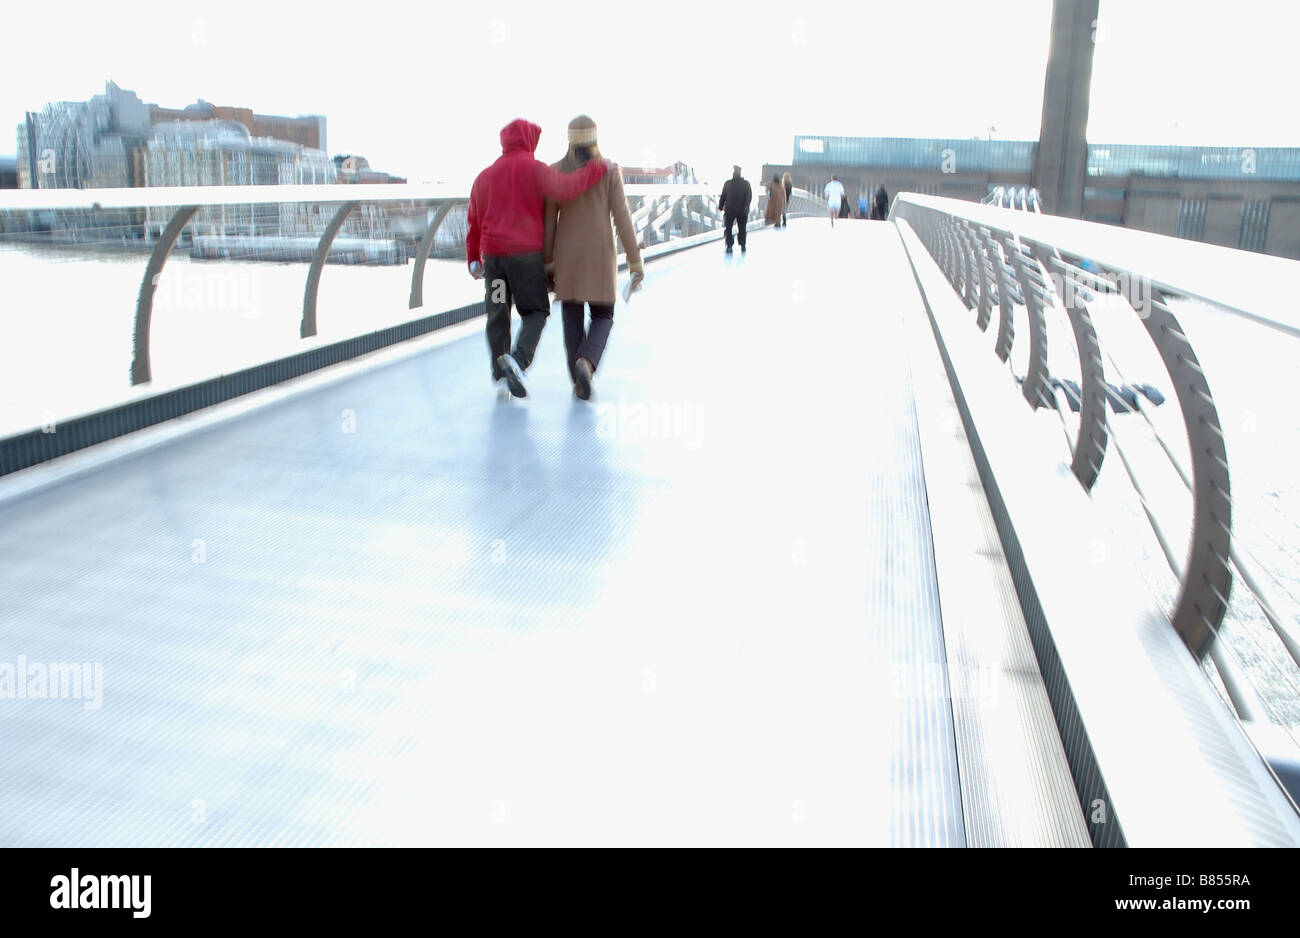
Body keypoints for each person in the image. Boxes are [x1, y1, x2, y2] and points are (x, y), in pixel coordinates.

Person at [466, 118, 611, 398]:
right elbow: (566, 188)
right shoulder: (536, 170)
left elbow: (473, 220)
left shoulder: (484, 177)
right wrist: (596, 169)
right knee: (535, 311)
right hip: (524, 259)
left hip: (494, 262)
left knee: (498, 312)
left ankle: (501, 374)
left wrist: (473, 258)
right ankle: (518, 361)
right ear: (530, 140)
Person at [543, 115, 644, 401]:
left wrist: (548, 262)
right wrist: (635, 262)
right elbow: (623, 217)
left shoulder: (555, 172)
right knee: (603, 315)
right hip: (600, 254)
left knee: (571, 317)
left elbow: (549, 222)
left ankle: (578, 380)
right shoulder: (609, 170)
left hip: (567, 256)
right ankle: (586, 363)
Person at [719, 165, 751, 254]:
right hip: (742, 211)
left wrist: (720, 207)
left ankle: (729, 245)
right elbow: (749, 197)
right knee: (742, 228)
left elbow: (723, 196)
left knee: (728, 228)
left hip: (730, 210)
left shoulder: (727, 183)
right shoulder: (746, 184)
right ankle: (743, 245)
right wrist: (746, 206)